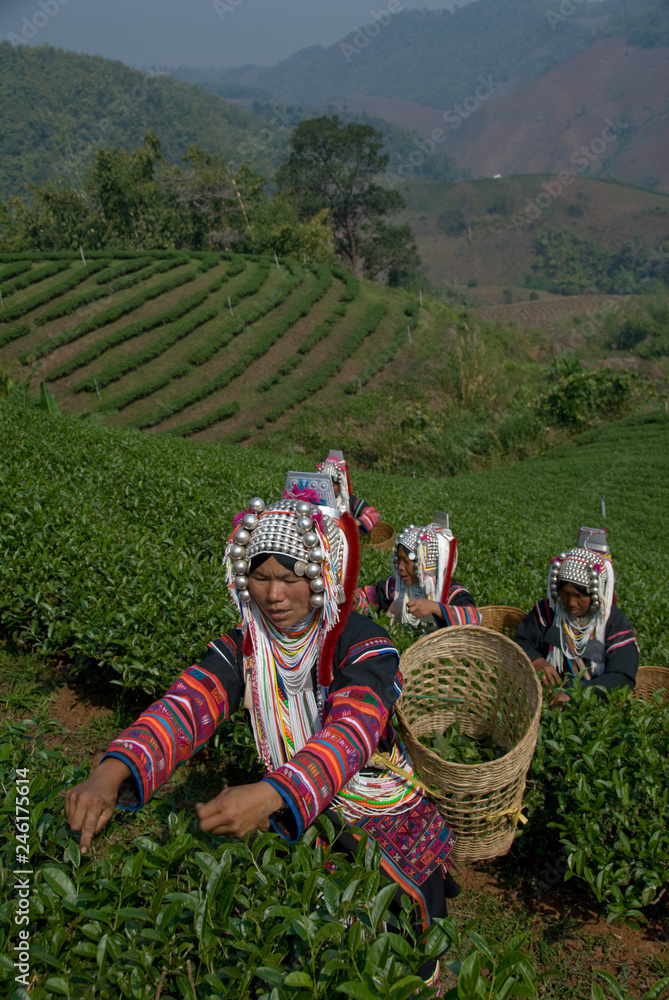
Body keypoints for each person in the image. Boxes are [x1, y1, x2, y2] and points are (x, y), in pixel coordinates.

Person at [65, 484, 457, 991]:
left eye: (290, 579)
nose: (273, 595)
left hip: (372, 799)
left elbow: (352, 733)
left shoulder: (362, 642)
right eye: (259, 577)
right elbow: (187, 705)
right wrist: (110, 772)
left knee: (397, 937)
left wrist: (270, 794)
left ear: (322, 578)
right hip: (294, 794)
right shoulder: (247, 646)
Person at [514, 527, 638, 705]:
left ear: (596, 593)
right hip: (544, 696)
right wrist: (538, 661)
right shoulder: (549, 610)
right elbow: (522, 641)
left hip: (593, 704)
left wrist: (578, 693)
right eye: (565, 594)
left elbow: (621, 676)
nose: (571, 603)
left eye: (580, 596)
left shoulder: (613, 622)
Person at [358, 518, 481, 630]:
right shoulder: (396, 588)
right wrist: (357, 599)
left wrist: (435, 608)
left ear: (425, 565)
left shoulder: (451, 592)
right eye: (398, 560)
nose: (400, 567)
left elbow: (474, 618)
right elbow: (369, 596)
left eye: (406, 561)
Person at [317, 451, 380, 535]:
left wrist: (354, 523)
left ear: (340, 486)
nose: (328, 489)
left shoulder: (349, 501)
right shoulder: (313, 499)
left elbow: (373, 514)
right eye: (323, 485)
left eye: (332, 486)